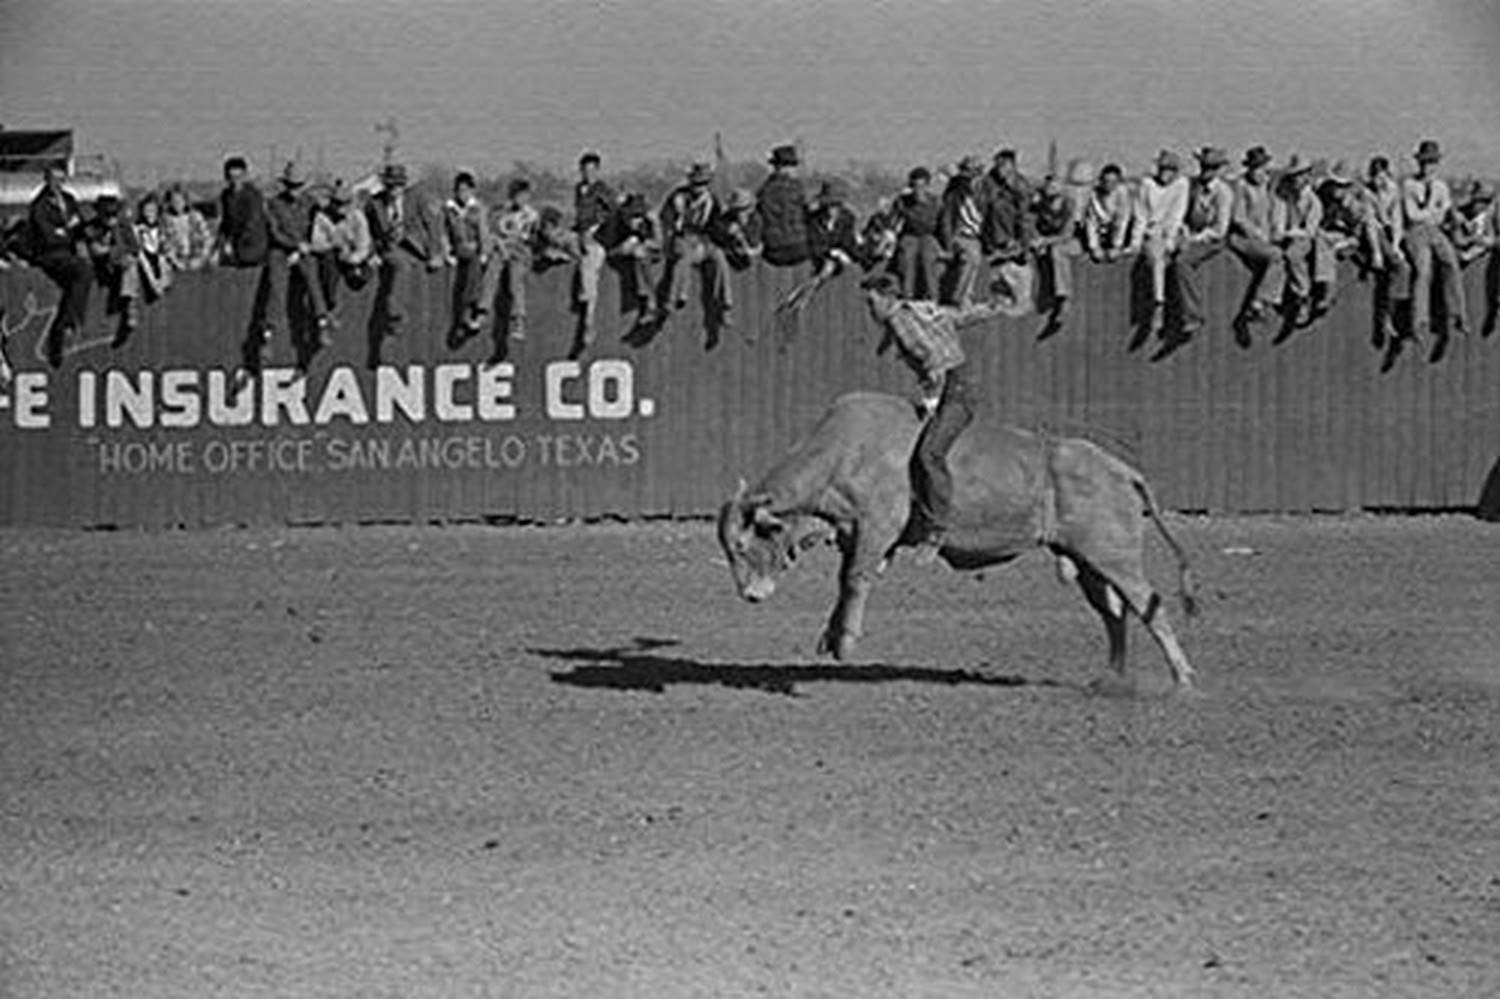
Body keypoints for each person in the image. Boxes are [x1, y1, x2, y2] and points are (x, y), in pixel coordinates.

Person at [861, 273, 1012, 565]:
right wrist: (992, 307)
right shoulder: (919, 307)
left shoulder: (899, 321)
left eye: (871, 302)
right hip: (961, 382)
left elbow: (933, 361)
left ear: (886, 298)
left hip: (953, 389)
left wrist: (932, 397)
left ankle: (935, 531)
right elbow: (958, 316)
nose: (870, 310)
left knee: (929, 455)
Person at [260, 161, 335, 355]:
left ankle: (322, 322)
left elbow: (326, 221)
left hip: (304, 249)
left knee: (313, 280)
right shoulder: (273, 204)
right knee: (276, 288)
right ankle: (268, 335)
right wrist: (293, 246)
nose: (295, 190)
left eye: (298, 186)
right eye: (292, 186)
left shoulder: (310, 202)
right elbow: (274, 232)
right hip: (281, 250)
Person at [365, 162, 445, 340]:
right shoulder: (374, 204)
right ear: (385, 185)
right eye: (390, 185)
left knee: (406, 263)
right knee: (401, 265)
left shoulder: (417, 197)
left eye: (398, 185)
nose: (394, 189)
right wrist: (371, 253)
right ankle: (395, 315)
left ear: (404, 185)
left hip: (415, 247)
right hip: (390, 248)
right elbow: (367, 231)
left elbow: (433, 225)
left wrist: (435, 253)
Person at [24, 163, 92, 366]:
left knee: (80, 278)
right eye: (54, 180)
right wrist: (66, 230)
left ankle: (61, 329)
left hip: (67, 251)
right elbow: (48, 237)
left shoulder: (69, 199)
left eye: (62, 180)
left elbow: (78, 225)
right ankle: (70, 322)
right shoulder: (40, 205)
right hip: (49, 254)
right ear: (46, 180)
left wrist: (71, 230)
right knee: (82, 270)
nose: (58, 184)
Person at [1402, 139, 1467, 339]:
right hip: (1416, 232)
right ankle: (1419, 321)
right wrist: (1433, 210)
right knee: (1424, 271)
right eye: (1425, 162)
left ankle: (1459, 315)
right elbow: (1412, 215)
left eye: (1432, 162)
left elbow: (1444, 212)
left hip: (1435, 231)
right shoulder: (1409, 185)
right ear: (1419, 163)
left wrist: (1435, 214)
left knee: (1451, 263)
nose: (1428, 166)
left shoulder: (1441, 186)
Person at [1169, 147, 1236, 340]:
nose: (1206, 171)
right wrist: (1182, 232)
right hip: (1191, 233)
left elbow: (1219, 230)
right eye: (1204, 166)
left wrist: (1192, 239)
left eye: (1211, 167)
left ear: (1219, 170)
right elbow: (1182, 214)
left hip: (1211, 239)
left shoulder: (1224, 192)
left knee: (1182, 262)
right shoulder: (1192, 186)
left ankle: (1193, 314)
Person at [658, 162, 733, 328]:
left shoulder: (712, 201)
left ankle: (726, 304)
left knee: (720, 260)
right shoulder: (677, 197)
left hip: (704, 240)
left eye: (704, 183)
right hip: (683, 238)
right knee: (682, 260)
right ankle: (673, 299)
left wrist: (725, 235)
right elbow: (666, 220)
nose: (700, 187)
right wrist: (668, 241)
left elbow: (716, 226)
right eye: (697, 183)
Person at [1228, 146, 1285, 344]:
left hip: (1265, 239)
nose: (1262, 173)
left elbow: (1276, 213)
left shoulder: (1269, 187)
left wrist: (1276, 231)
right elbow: (1239, 218)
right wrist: (1259, 235)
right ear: (1250, 169)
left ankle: (1270, 302)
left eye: (1264, 169)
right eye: (1258, 169)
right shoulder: (1240, 186)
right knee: (1276, 256)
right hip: (1243, 239)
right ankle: (1260, 302)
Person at [1270, 156, 1336, 326]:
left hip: (1304, 238)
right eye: (1293, 176)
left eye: (1299, 175)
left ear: (1307, 177)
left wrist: (1289, 233)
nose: (1296, 179)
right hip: (1286, 236)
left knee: (1293, 255)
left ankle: (1303, 294)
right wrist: (1281, 232)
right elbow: (1278, 220)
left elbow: (1309, 230)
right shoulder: (1283, 195)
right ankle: (1274, 295)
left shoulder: (1314, 201)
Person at [1130, 150, 1190, 336]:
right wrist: (1135, 242)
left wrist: (1171, 240)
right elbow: (1140, 215)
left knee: (1181, 263)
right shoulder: (1146, 184)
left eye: (1171, 169)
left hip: (1174, 232)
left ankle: (1185, 314)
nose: (1166, 173)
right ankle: (1159, 304)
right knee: (1157, 260)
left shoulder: (1182, 185)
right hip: (1153, 233)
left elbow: (1177, 215)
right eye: (1163, 168)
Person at [443, 171, 499, 339]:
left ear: (472, 191)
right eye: (459, 190)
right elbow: (443, 234)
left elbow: (483, 232)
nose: (463, 194)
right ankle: (469, 308)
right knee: (469, 263)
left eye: (466, 190)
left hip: (474, 249)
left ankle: (470, 308)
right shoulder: (449, 210)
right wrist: (447, 252)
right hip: (459, 249)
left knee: (476, 265)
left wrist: (484, 252)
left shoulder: (478, 209)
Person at [1362, 155, 1412, 343]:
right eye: (1376, 176)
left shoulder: (1393, 190)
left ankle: (1400, 316)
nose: (1379, 180)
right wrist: (1376, 251)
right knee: (1401, 268)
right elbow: (1370, 224)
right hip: (1375, 232)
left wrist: (1397, 244)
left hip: (1392, 231)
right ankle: (1389, 316)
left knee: (1405, 266)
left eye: (1383, 176)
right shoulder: (1367, 193)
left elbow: (1397, 219)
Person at [976, 148, 1034, 309]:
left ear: (1012, 166)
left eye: (1004, 165)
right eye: (998, 165)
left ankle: (1018, 248)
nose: (1000, 169)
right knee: (998, 207)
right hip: (992, 229)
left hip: (1016, 226)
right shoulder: (989, 180)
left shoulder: (1020, 183)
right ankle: (1003, 244)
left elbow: (1024, 210)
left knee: (1023, 220)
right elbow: (983, 203)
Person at [82, 194, 142, 346]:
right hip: (102, 270)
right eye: (107, 214)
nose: (111, 218)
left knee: (130, 266)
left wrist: (113, 250)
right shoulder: (91, 227)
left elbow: (134, 247)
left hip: (122, 267)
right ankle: (128, 308)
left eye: (114, 214)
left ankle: (130, 309)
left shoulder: (123, 226)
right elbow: (95, 252)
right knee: (128, 265)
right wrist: (116, 252)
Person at [310, 179, 374, 313]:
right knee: (329, 267)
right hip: (332, 254)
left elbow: (364, 243)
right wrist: (335, 246)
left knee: (363, 271)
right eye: (338, 203)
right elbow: (317, 242)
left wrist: (352, 258)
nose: (342, 208)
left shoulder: (358, 217)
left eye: (346, 203)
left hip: (353, 254)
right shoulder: (322, 217)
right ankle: (330, 303)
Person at [572, 151, 616, 344]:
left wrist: (595, 230)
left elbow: (612, 214)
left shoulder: (603, 190)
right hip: (579, 234)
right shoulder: (579, 189)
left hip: (597, 237)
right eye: (584, 170)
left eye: (591, 170)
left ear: (597, 171)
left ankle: (589, 321)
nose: (588, 173)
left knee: (589, 265)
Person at [599, 192, 661, 326]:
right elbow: (609, 250)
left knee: (640, 254)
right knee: (638, 253)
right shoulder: (615, 225)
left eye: (639, 216)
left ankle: (649, 303)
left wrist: (647, 241)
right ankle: (649, 302)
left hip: (644, 253)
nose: (636, 221)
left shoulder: (648, 222)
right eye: (632, 217)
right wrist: (622, 248)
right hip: (623, 253)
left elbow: (659, 245)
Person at [493, 177, 541, 339]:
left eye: (524, 195)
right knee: (491, 272)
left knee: (516, 279)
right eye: (517, 195)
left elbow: (535, 240)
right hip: (503, 251)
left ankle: (518, 319)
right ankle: (480, 310)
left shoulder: (532, 216)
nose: (521, 199)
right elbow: (495, 234)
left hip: (521, 252)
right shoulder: (502, 213)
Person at [1449, 179, 1498, 334]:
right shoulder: (1460, 214)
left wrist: (1485, 241)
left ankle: (1494, 310)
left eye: (1486, 202)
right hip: (1465, 255)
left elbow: (1490, 238)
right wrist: (1472, 240)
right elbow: (1458, 240)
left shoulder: (1491, 214)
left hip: (1483, 250)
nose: (1482, 206)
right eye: (1480, 201)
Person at [937, 156, 986, 305]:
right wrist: (948, 242)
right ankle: (960, 298)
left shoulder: (983, 193)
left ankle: (968, 294)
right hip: (960, 235)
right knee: (971, 256)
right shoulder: (955, 194)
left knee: (976, 257)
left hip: (977, 236)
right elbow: (947, 219)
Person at [1030, 172, 1076, 326]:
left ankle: (1064, 298)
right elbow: (1032, 225)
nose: (1050, 188)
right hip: (1047, 241)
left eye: (1055, 185)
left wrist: (1046, 241)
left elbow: (1067, 234)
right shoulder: (1040, 204)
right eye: (1048, 185)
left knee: (1057, 252)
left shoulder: (1069, 204)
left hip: (1068, 241)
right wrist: (1037, 239)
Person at [892, 167, 943, 300]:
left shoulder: (936, 202)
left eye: (921, 186)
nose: (918, 189)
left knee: (928, 258)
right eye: (915, 186)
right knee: (907, 256)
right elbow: (893, 222)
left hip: (928, 235)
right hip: (910, 234)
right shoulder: (902, 201)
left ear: (927, 185)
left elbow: (943, 224)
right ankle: (907, 296)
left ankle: (933, 297)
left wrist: (945, 244)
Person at [756, 144, 810, 267]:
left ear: (776, 166)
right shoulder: (797, 188)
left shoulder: (765, 190)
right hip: (800, 248)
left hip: (773, 251)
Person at [214, 156, 269, 268]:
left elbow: (252, 224)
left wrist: (233, 244)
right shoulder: (226, 195)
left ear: (245, 176)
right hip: (234, 241)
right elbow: (225, 221)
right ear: (226, 177)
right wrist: (221, 241)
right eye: (231, 177)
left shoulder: (253, 196)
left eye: (238, 177)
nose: (235, 181)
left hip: (252, 243)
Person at [1079, 162, 1132, 263]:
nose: (1109, 185)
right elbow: (1091, 222)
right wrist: (1094, 247)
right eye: (1106, 181)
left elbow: (1122, 222)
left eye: (1113, 182)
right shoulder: (1094, 195)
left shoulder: (1123, 195)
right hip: (1101, 232)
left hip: (1119, 233)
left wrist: (1117, 246)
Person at [133, 192, 173, 306]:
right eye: (146, 211)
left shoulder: (162, 228)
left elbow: (163, 253)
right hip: (144, 263)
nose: (149, 215)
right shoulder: (137, 229)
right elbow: (141, 256)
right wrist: (153, 282)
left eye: (152, 211)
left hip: (159, 262)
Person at [161, 184, 212, 271]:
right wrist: (174, 261)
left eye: (180, 201)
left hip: (196, 257)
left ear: (185, 201)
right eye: (174, 201)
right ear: (169, 202)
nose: (177, 204)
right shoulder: (165, 219)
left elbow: (207, 238)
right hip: (176, 259)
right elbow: (164, 242)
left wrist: (203, 256)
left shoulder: (196, 216)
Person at [713, 188, 763, 271]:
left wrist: (739, 233)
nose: (740, 214)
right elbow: (718, 225)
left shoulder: (756, 220)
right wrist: (728, 228)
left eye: (742, 210)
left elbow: (753, 240)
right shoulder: (730, 216)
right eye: (737, 210)